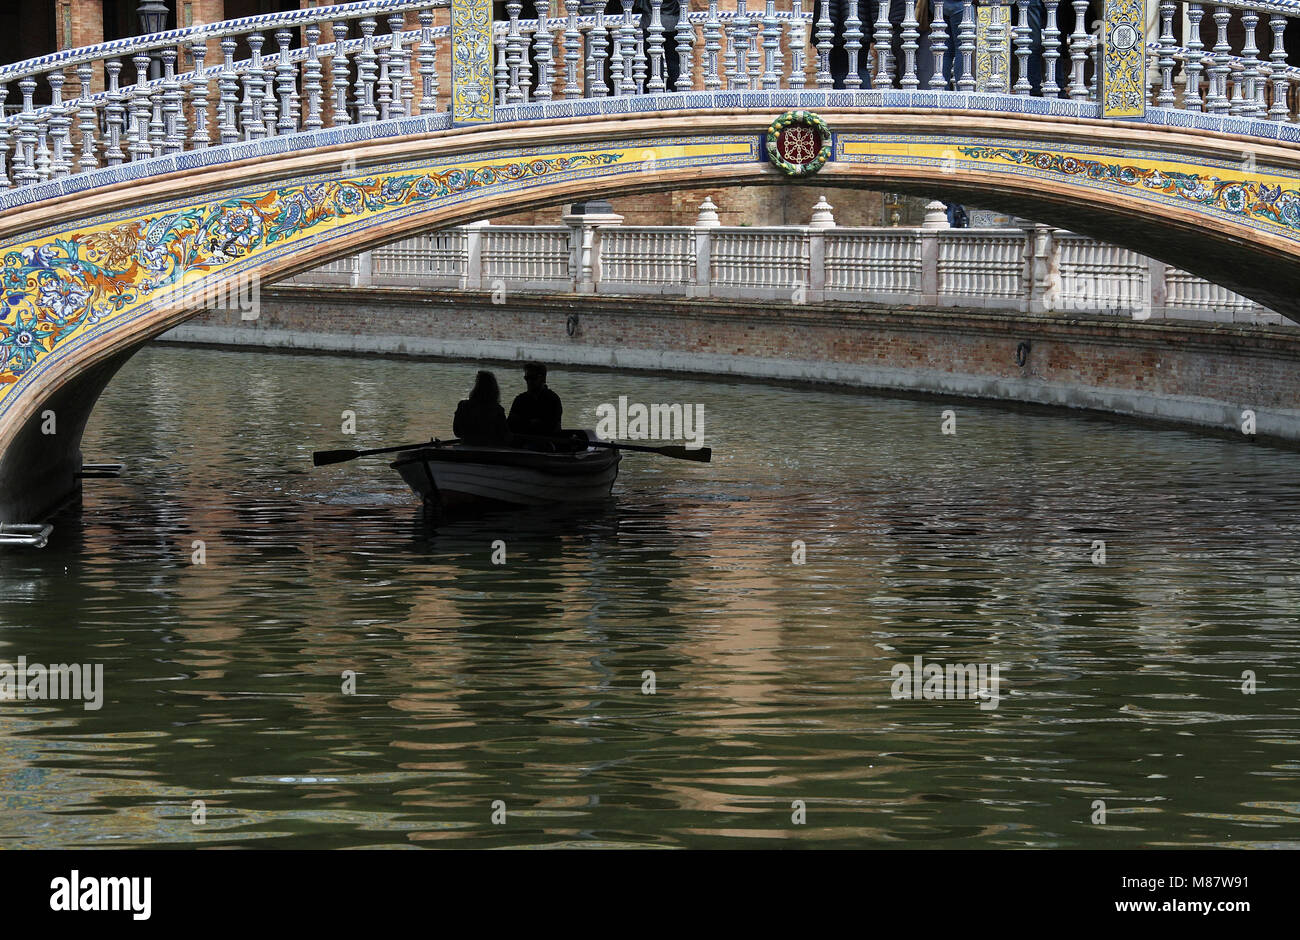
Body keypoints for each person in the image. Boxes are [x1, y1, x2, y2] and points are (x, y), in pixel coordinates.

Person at [453, 371, 510, 445]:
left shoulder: (463, 405)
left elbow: (457, 432)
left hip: (467, 446)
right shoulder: (498, 409)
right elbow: (504, 435)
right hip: (489, 450)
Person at [507, 363, 563, 438]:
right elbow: (510, 423)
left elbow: (552, 426)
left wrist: (523, 423)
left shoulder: (553, 400)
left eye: (533, 378)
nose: (529, 381)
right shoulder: (520, 399)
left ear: (543, 379)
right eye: (527, 378)